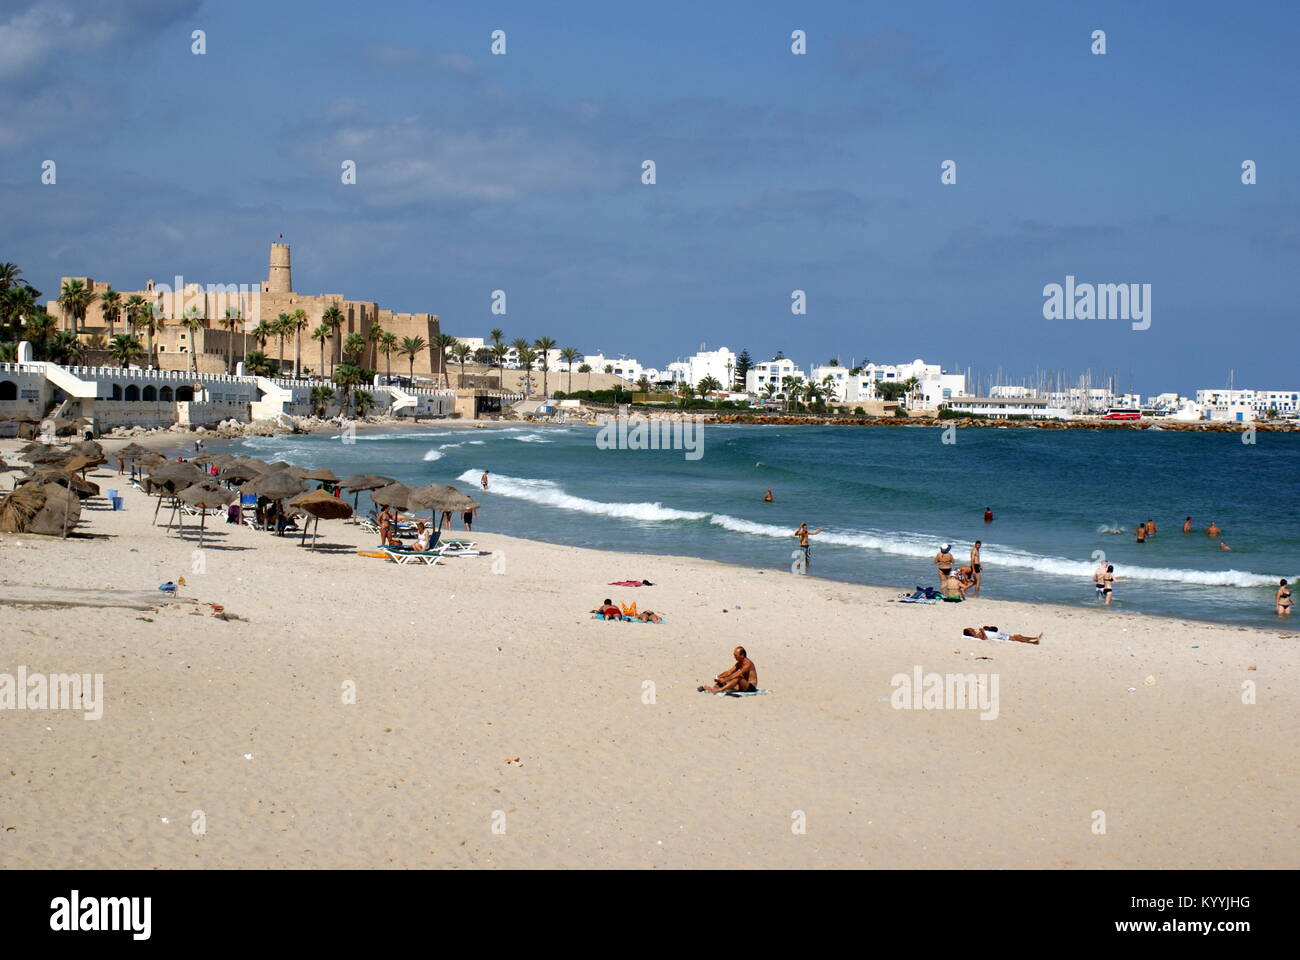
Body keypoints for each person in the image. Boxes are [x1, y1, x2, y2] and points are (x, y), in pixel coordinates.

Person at [962, 626, 1041, 645]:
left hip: (998, 634)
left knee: (1018, 635)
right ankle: (1033, 642)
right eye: (971, 630)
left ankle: (1034, 637)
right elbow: (984, 638)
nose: (972, 629)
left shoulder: (977, 633)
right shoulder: (976, 636)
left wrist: (986, 628)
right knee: (1016, 638)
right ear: (970, 633)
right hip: (998, 637)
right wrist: (982, 631)